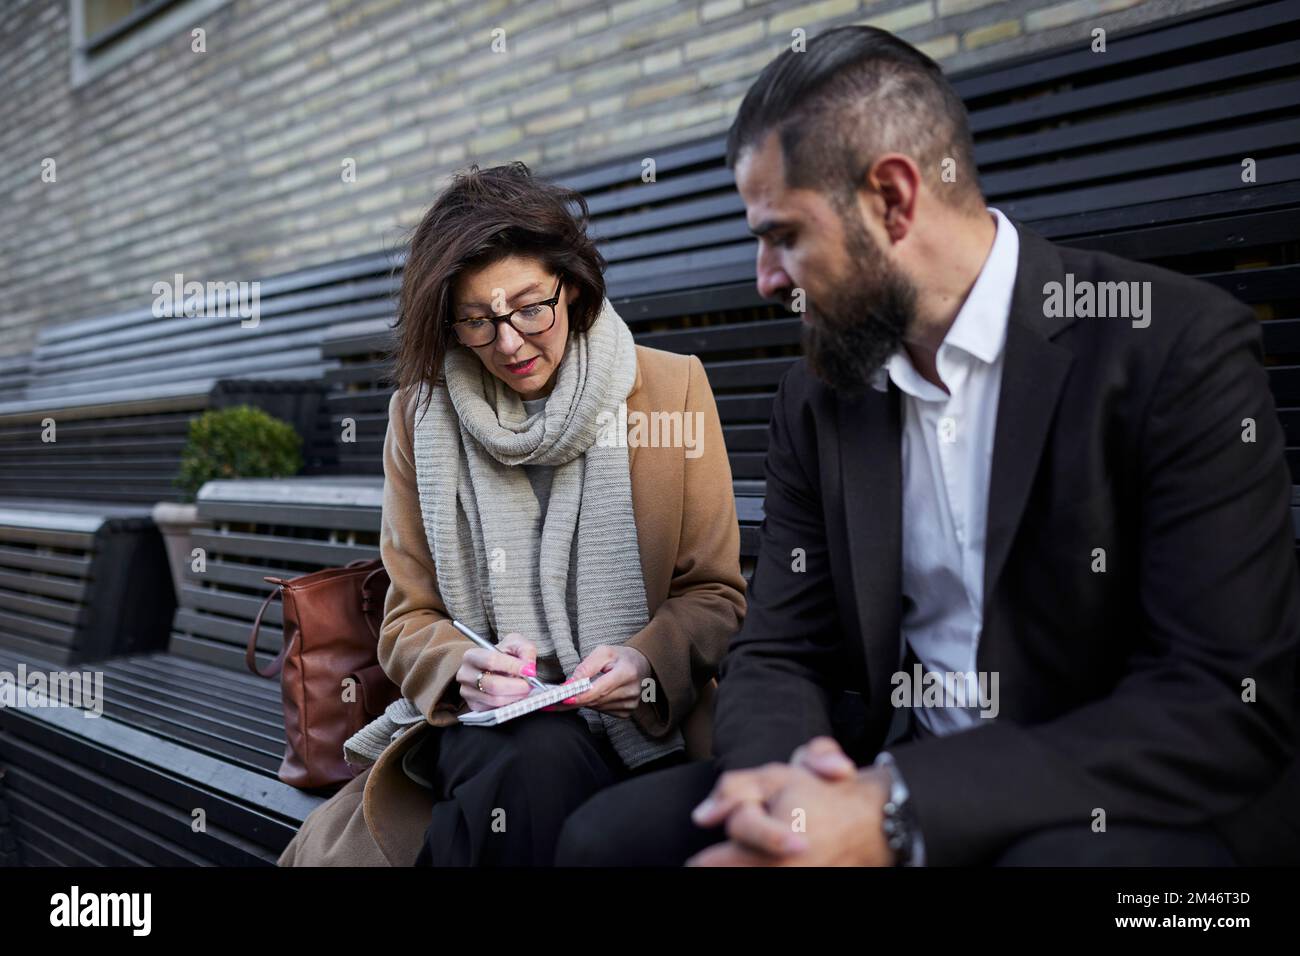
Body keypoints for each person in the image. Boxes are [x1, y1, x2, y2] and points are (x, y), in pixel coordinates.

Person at [555, 25, 1300, 867]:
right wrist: (783, 795)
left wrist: (893, 812)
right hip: (879, 771)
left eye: (784, 235)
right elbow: (779, 649)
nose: (765, 277)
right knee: (605, 841)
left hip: (1122, 808)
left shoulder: (1172, 347)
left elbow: (1216, 700)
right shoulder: (820, 395)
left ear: (894, 200)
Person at [278, 162, 746, 866]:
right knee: (530, 763)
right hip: (488, 730)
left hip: (647, 722)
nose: (509, 343)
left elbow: (714, 593)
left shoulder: (673, 389)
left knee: (531, 786)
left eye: (532, 307)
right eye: (476, 320)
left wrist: (644, 662)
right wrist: (463, 668)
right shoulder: (419, 418)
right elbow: (408, 619)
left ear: (575, 286)